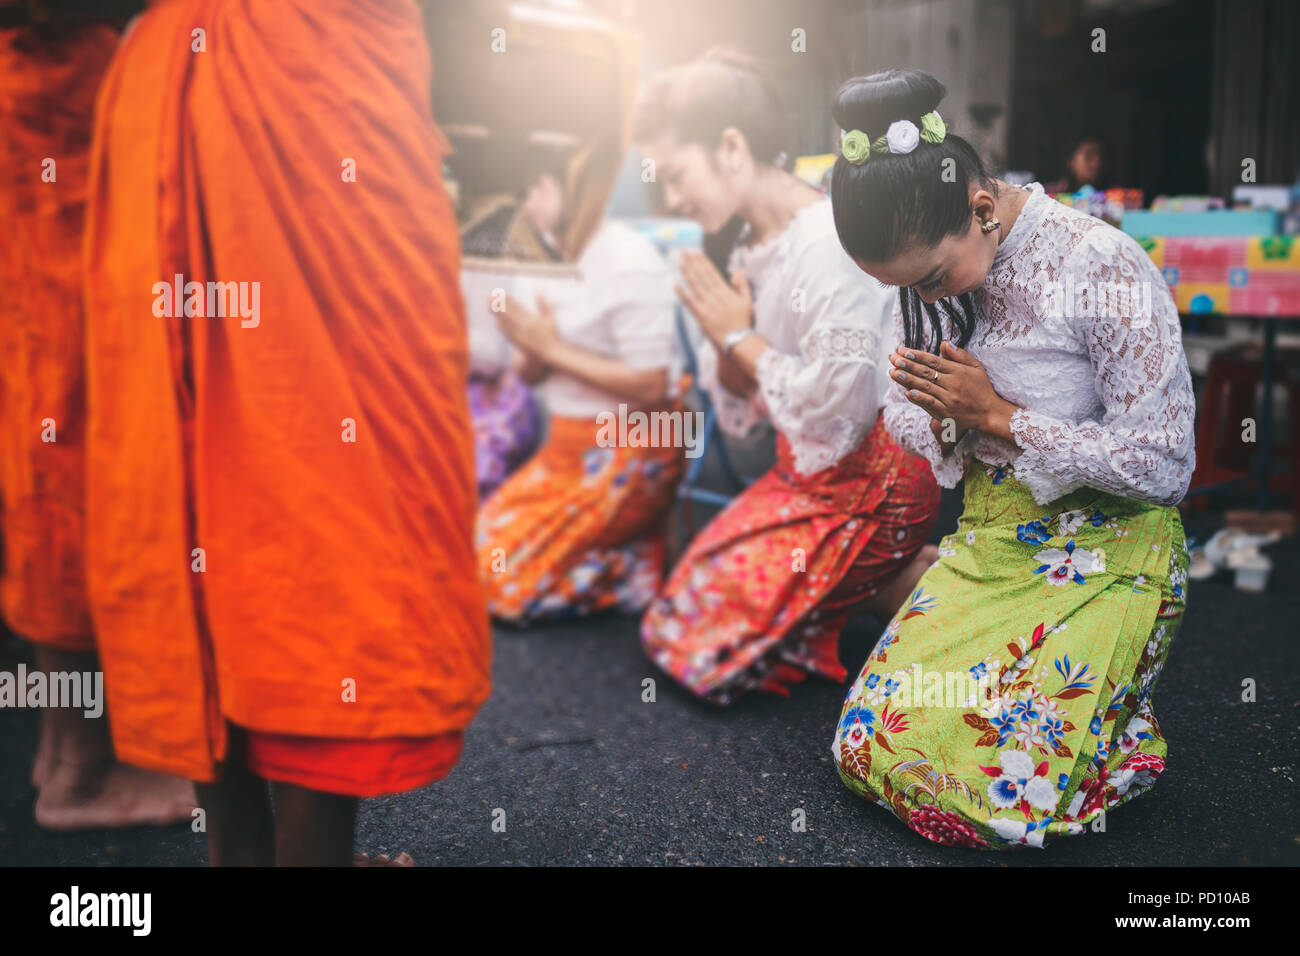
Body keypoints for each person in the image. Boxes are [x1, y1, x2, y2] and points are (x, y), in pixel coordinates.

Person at [82, 0, 490, 865]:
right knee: (321, 481)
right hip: (310, 69)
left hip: (179, 72)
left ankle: (242, 854)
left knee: (208, 472)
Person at [828, 69, 1195, 848]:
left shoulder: (1101, 267)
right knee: (868, 747)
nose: (925, 302)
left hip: (1108, 545)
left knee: (984, 800)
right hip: (996, 541)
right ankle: (1093, 715)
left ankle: (1113, 732)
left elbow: (1166, 464)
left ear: (981, 207)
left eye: (931, 279)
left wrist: (998, 415)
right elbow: (906, 406)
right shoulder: (933, 277)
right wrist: (956, 421)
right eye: (906, 290)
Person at [635, 50, 942, 705]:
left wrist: (738, 337)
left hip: (872, 483)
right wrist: (729, 347)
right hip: (807, 477)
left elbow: (842, 406)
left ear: (732, 146)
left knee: (697, 644)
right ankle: (888, 588)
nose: (672, 198)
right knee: (679, 613)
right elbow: (750, 407)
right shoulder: (751, 246)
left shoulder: (826, 239)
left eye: (677, 174)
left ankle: (896, 578)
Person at [0, 9, 195, 830]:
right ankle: (78, 774)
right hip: (53, 97)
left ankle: (64, 751)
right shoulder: (51, 58)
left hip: (47, 91)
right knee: (63, 477)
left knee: (44, 459)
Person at [475, 158, 685, 623]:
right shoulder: (538, 259)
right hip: (568, 445)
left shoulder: (629, 259)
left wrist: (551, 347)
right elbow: (527, 376)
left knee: (507, 591)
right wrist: (531, 349)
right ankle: (624, 549)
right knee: (470, 563)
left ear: (568, 185)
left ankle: (633, 567)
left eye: (531, 189)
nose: (521, 204)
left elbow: (653, 387)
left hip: (635, 440)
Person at [1044, 136, 1108, 195]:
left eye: (1101, 157)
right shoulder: (1049, 195)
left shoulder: (1113, 197)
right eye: (1089, 156)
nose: (1096, 164)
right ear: (1071, 161)